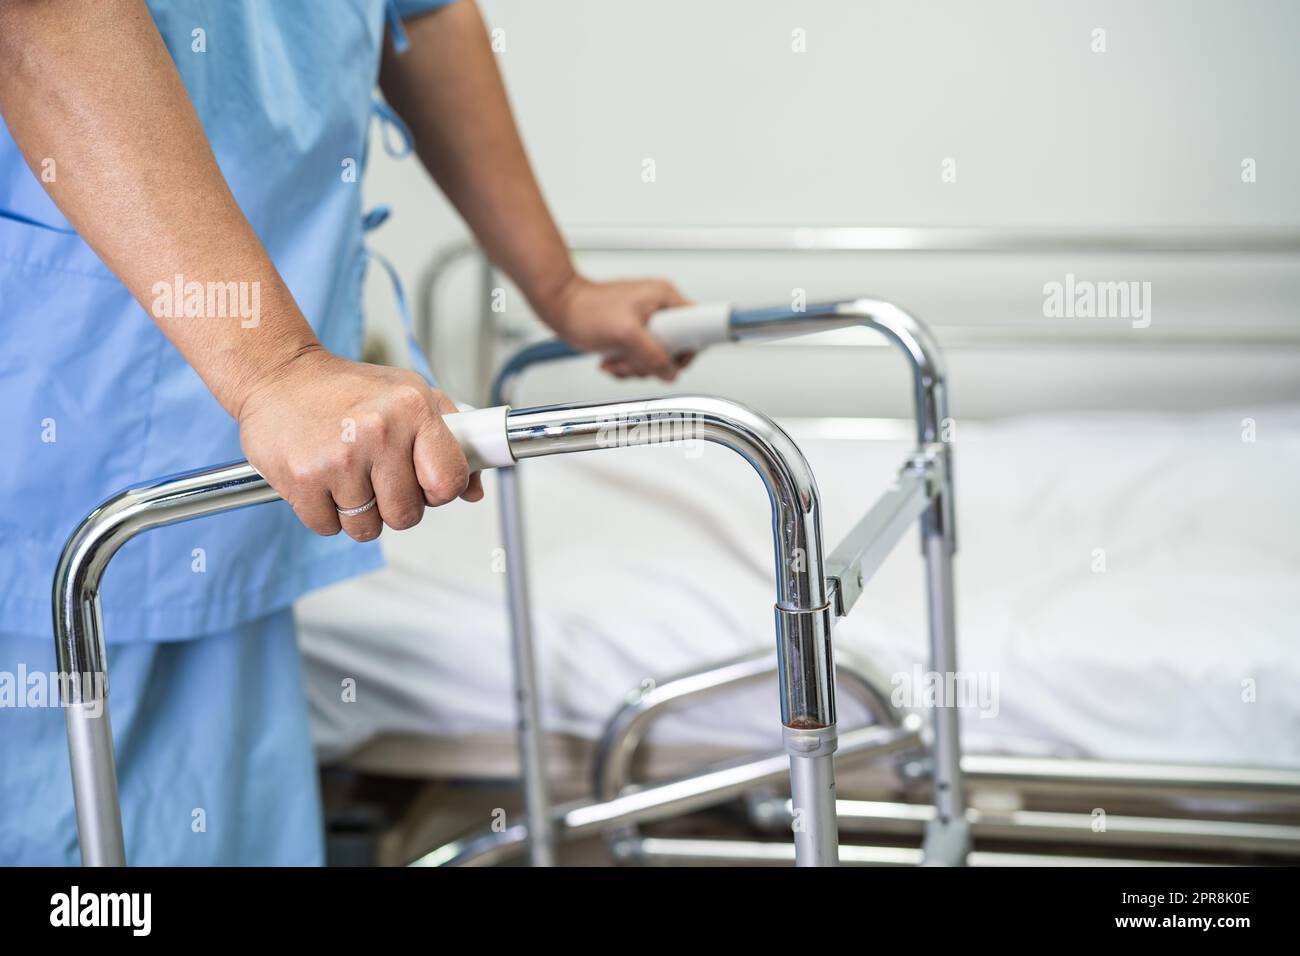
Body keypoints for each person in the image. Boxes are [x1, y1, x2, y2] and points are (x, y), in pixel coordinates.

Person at [0, 0, 687, 865]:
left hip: (235, 452)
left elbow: (427, 17)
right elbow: (46, 18)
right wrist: (274, 369)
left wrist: (559, 288)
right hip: (76, 404)